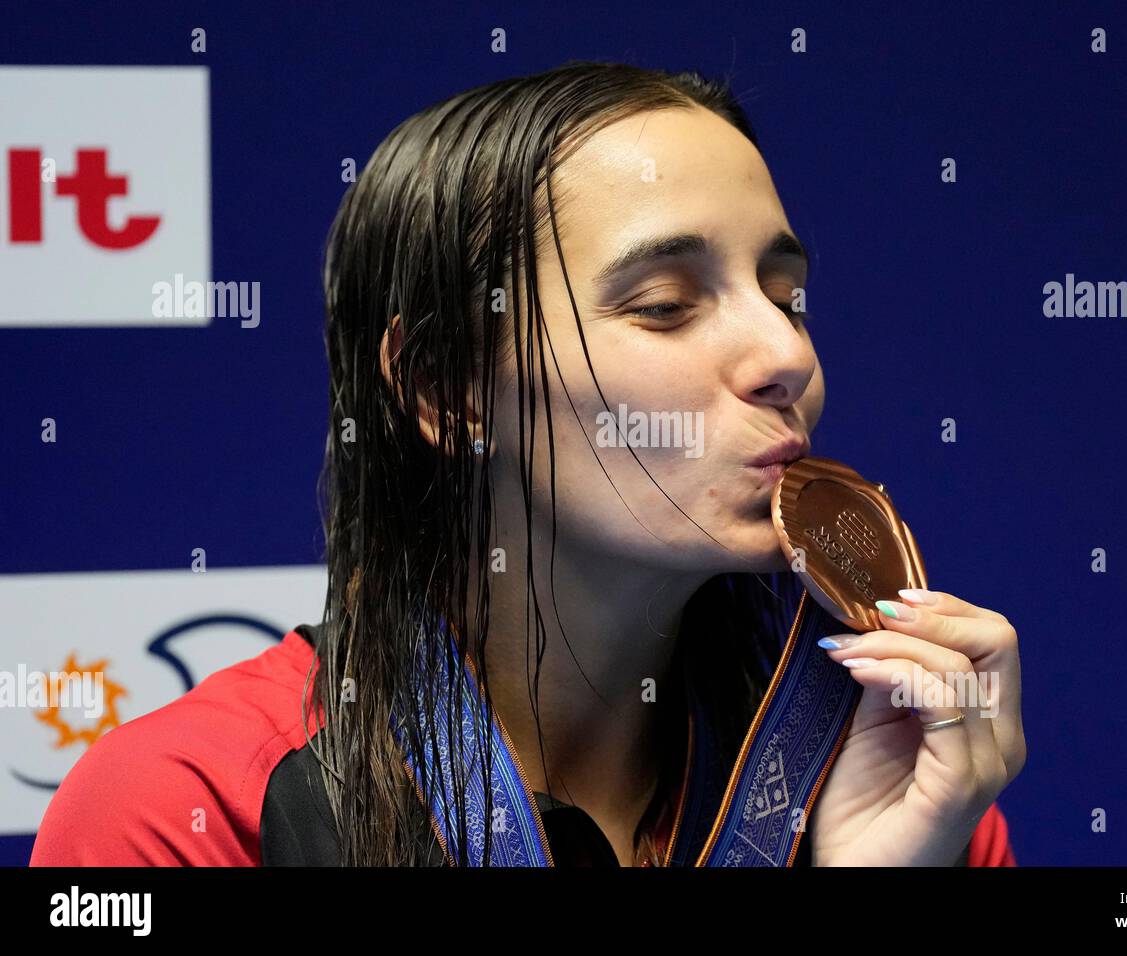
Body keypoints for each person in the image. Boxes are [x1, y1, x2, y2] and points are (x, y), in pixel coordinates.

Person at [31, 60, 1023, 868]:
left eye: (785, 294)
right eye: (668, 302)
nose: (788, 358)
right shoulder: (186, 810)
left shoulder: (900, 780)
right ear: (444, 387)